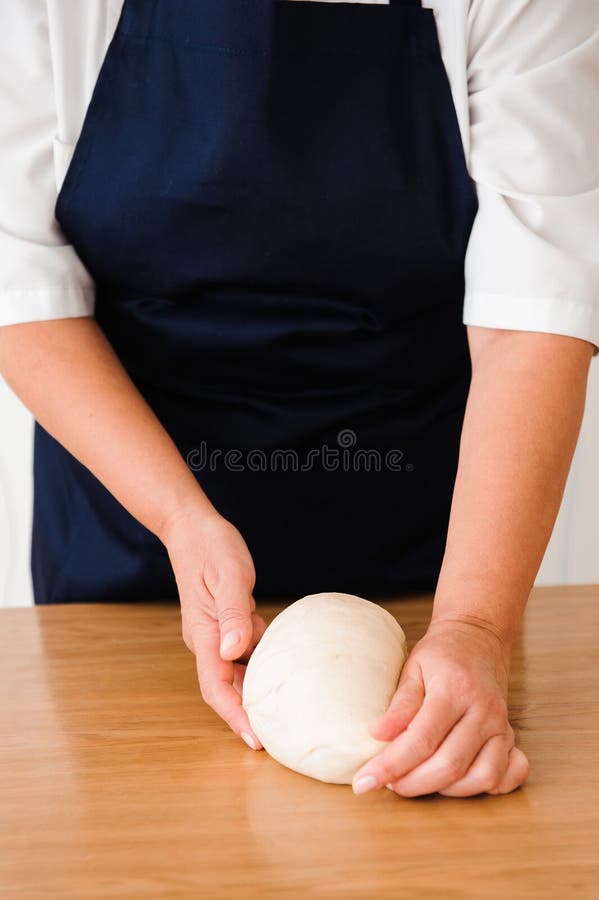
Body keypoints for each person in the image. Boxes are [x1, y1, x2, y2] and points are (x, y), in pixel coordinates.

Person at [0, 0, 597, 799]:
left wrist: (473, 625)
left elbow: (532, 314)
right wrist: (180, 517)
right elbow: (21, 287)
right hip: (133, 522)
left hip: (430, 529)